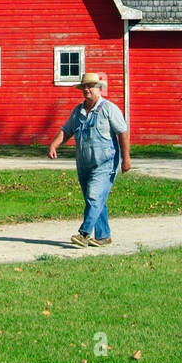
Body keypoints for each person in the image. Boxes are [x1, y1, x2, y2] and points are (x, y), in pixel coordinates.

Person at [47, 71, 131, 247]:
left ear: (99, 89)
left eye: (90, 86)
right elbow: (67, 130)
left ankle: (84, 234)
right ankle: (103, 237)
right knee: (94, 200)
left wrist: (126, 159)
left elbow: (122, 133)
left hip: (105, 163)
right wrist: (54, 145)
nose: (87, 90)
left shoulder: (109, 109)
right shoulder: (78, 111)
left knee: (94, 197)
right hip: (84, 164)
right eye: (84, 87)